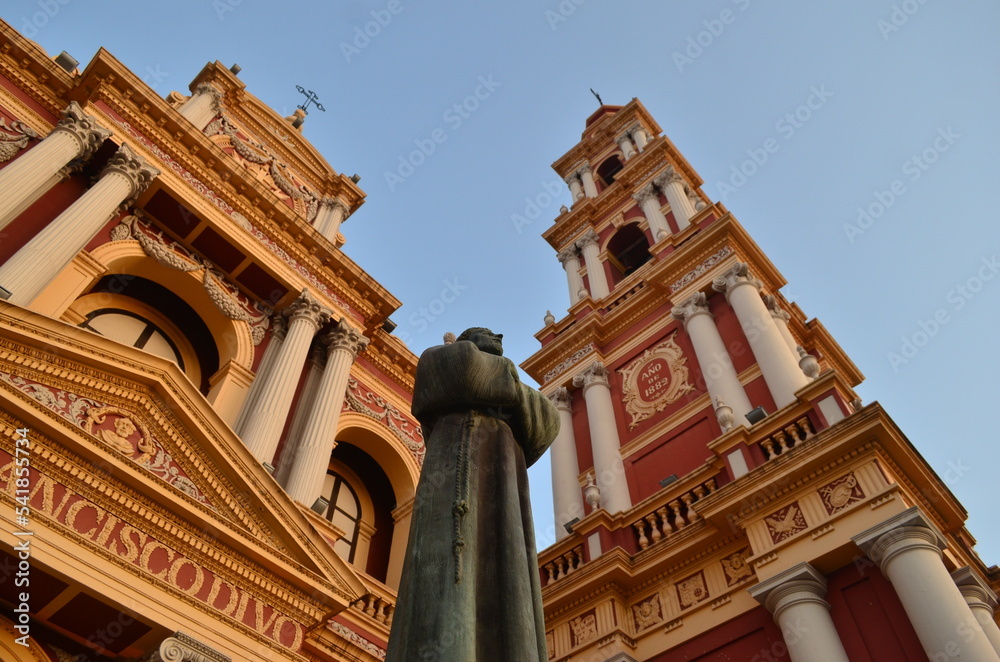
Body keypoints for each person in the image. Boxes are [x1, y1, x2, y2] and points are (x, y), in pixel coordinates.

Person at [385, 328, 559, 662]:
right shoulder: (441, 357)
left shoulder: (504, 424)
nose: (500, 337)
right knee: (450, 578)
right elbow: (464, 371)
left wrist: (501, 389)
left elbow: (547, 424)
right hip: (451, 480)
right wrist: (511, 392)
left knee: (507, 573)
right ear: (470, 339)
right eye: (490, 337)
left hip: (503, 483)